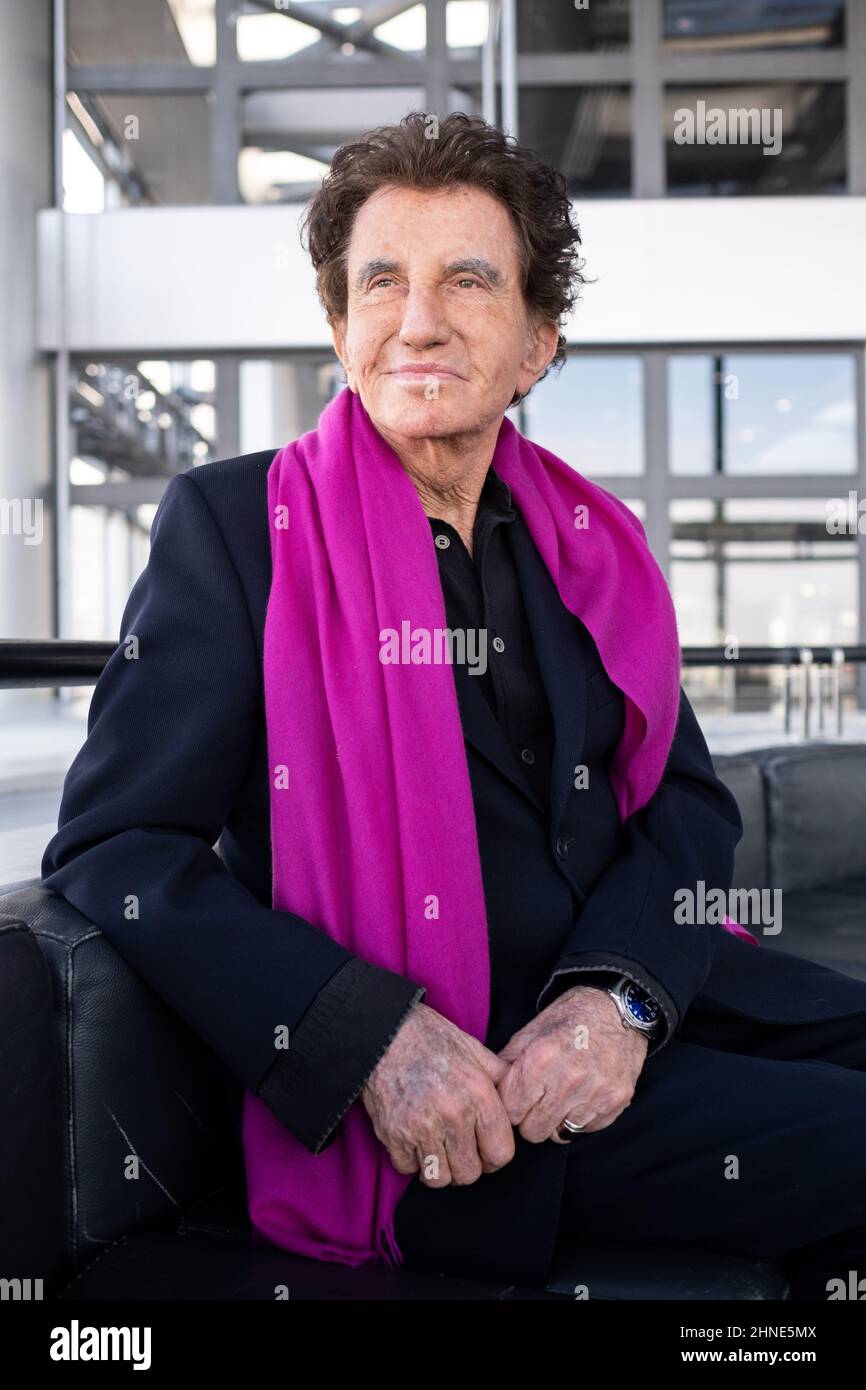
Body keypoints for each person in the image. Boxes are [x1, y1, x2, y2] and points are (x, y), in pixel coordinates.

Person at [43, 112, 866, 1299]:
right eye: (382, 281)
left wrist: (619, 995)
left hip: (637, 1006)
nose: (417, 317)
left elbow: (685, 802)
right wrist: (367, 1034)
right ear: (341, 329)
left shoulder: (591, 547)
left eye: (466, 280)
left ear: (536, 345)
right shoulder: (233, 531)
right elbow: (117, 846)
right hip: (475, 1086)